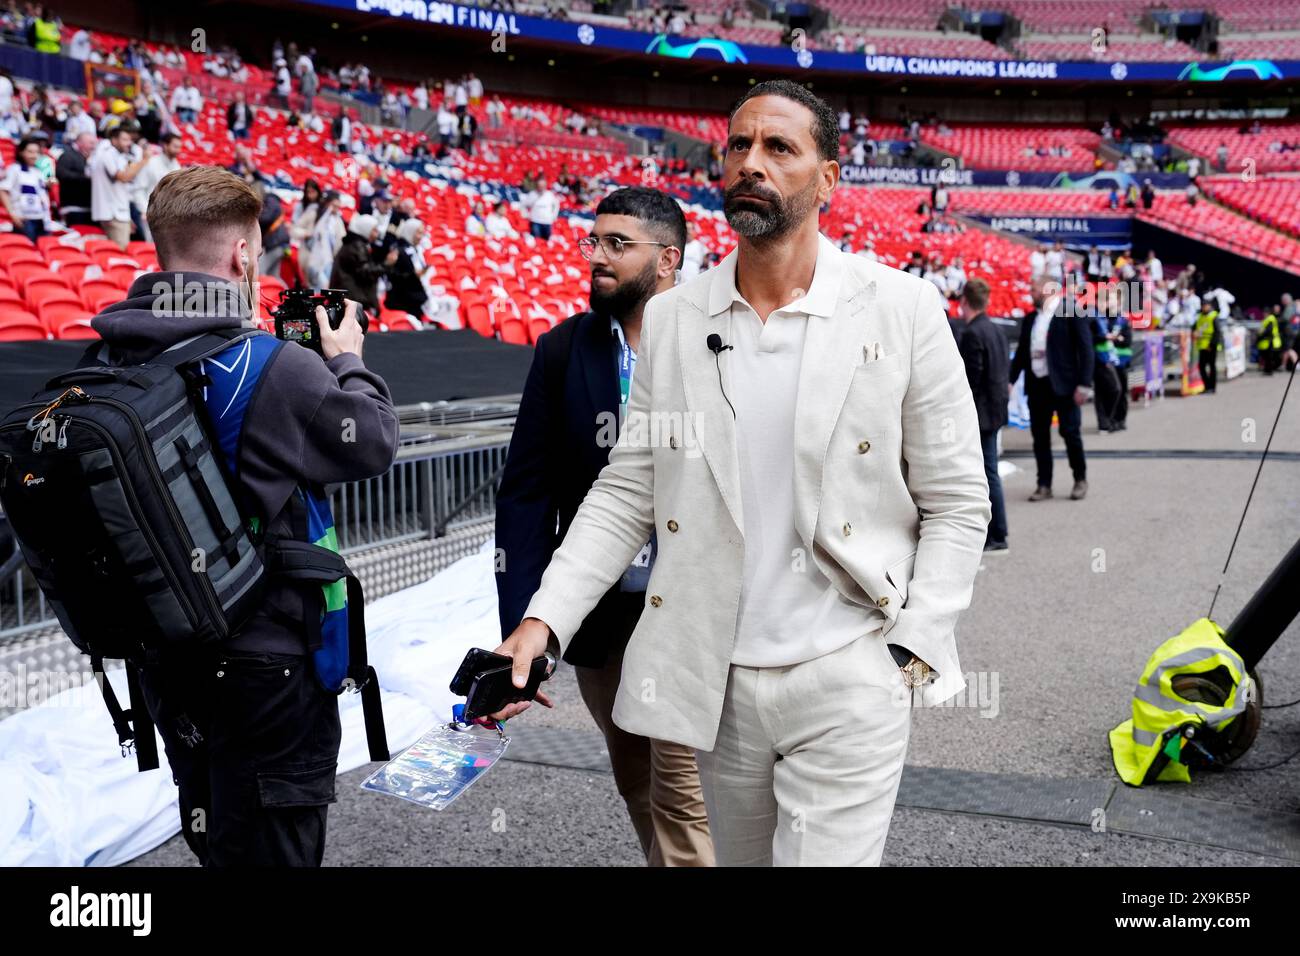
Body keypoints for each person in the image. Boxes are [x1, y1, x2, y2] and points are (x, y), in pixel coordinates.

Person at [491, 80, 989, 867]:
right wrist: (542, 619)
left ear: (827, 178)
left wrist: (910, 648)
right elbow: (628, 492)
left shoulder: (900, 308)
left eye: (778, 148)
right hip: (716, 682)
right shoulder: (678, 318)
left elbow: (959, 500)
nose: (749, 163)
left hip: (851, 669)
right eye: (738, 145)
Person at [86, 165, 399, 866]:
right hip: (269, 667)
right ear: (242, 255)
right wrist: (346, 361)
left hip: (166, 657)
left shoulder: (107, 355)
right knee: (276, 847)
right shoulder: (274, 365)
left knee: (217, 833)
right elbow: (373, 441)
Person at [496, 187, 714, 867]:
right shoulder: (563, 349)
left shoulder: (717, 342)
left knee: (682, 794)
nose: (598, 257)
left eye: (618, 245)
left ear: (668, 259)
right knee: (638, 784)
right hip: (601, 621)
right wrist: (525, 630)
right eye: (595, 242)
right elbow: (526, 495)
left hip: (691, 612)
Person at [1010, 275, 1094, 501]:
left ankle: (1080, 479)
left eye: (1034, 288)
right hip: (1038, 385)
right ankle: (1044, 484)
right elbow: (1021, 354)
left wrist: (1084, 384)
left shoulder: (1071, 312)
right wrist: (1010, 380)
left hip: (1065, 385)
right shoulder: (1030, 319)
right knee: (1040, 437)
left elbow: (1086, 349)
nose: (1031, 292)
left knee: (1070, 433)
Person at [958, 278, 1010, 553]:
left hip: (981, 412)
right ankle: (996, 532)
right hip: (995, 407)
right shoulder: (995, 329)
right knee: (989, 471)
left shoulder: (973, 333)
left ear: (964, 301)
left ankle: (996, 533)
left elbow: (970, 379)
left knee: (986, 472)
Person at [91, 123, 148, 250]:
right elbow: (123, 177)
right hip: (111, 213)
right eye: (125, 140)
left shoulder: (118, 156)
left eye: (130, 140)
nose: (129, 143)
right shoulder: (107, 153)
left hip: (120, 211)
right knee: (119, 252)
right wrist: (143, 161)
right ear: (114, 140)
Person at [331, 212, 396, 316]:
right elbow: (366, 272)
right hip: (353, 300)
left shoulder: (355, 244)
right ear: (366, 229)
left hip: (352, 299)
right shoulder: (357, 246)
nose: (377, 234)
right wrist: (387, 264)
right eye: (374, 230)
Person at [1092, 287, 1131, 432]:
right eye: (1106, 300)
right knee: (1104, 392)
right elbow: (1096, 337)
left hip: (1120, 362)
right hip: (1104, 361)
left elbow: (1126, 341)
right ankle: (1107, 421)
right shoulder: (1100, 319)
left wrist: (1115, 339)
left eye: (1111, 299)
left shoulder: (1123, 320)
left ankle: (1119, 419)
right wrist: (1111, 338)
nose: (1108, 303)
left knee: (1120, 392)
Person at [133, 131, 183, 241]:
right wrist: (144, 210)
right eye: (175, 146)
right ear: (165, 145)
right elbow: (138, 189)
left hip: (169, 216)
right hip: (150, 213)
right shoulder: (151, 163)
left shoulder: (177, 165)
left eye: (179, 147)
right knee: (151, 249)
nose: (178, 150)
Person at [1, 137, 50, 241]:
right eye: (30, 152)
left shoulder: (39, 172)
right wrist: (12, 214)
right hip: (24, 219)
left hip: (42, 219)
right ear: (21, 152)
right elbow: (3, 191)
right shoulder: (14, 169)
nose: (34, 155)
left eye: (36, 152)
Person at [384, 217, 429, 320]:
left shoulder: (414, 249)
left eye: (422, 233)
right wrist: (414, 275)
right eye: (418, 233)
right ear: (410, 231)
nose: (421, 237)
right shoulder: (397, 250)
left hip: (413, 300)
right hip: (402, 302)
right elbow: (393, 276)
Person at [304, 189, 345, 289]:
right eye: (334, 206)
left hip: (330, 260)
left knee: (326, 288)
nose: (336, 209)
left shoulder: (338, 221)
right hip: (314, 257)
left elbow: (341, 240)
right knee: (317, 288)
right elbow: (297, 229)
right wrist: (307, 234)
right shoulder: (316, 215)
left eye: (338, 207)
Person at [56, 131, 96, 225]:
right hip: (73, 207)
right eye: (91, 143)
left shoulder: (92, 158)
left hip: (90, 207)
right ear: (79, 142)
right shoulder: (68, 156)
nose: (94, 146)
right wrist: (85, 178)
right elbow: (61, 174)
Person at [1195, 299, 1221, 393]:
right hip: (1202, 345)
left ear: (1209, 306)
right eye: (1202, 305)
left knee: (1212, 367)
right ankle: (1207, 386)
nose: (1204, 307)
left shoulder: (1213, 316)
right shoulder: (1200, 316)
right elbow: (1196, 327)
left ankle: (1212, 388)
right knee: (1201, 367)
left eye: (1205, 305)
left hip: (1211, 346)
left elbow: (1217, 332)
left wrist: (1211, 344)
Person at [1259, 305, 1283, 374]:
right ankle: (1268, 369)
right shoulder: (1269, 318)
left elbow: (1268, 330)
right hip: (1270, 340)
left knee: (1269, 357)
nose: (1263, 314)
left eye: (1264, 312)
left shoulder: (1270, 319)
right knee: (1268, 357)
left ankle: (1269, 370)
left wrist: (1261, 335)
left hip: (1270, 341)